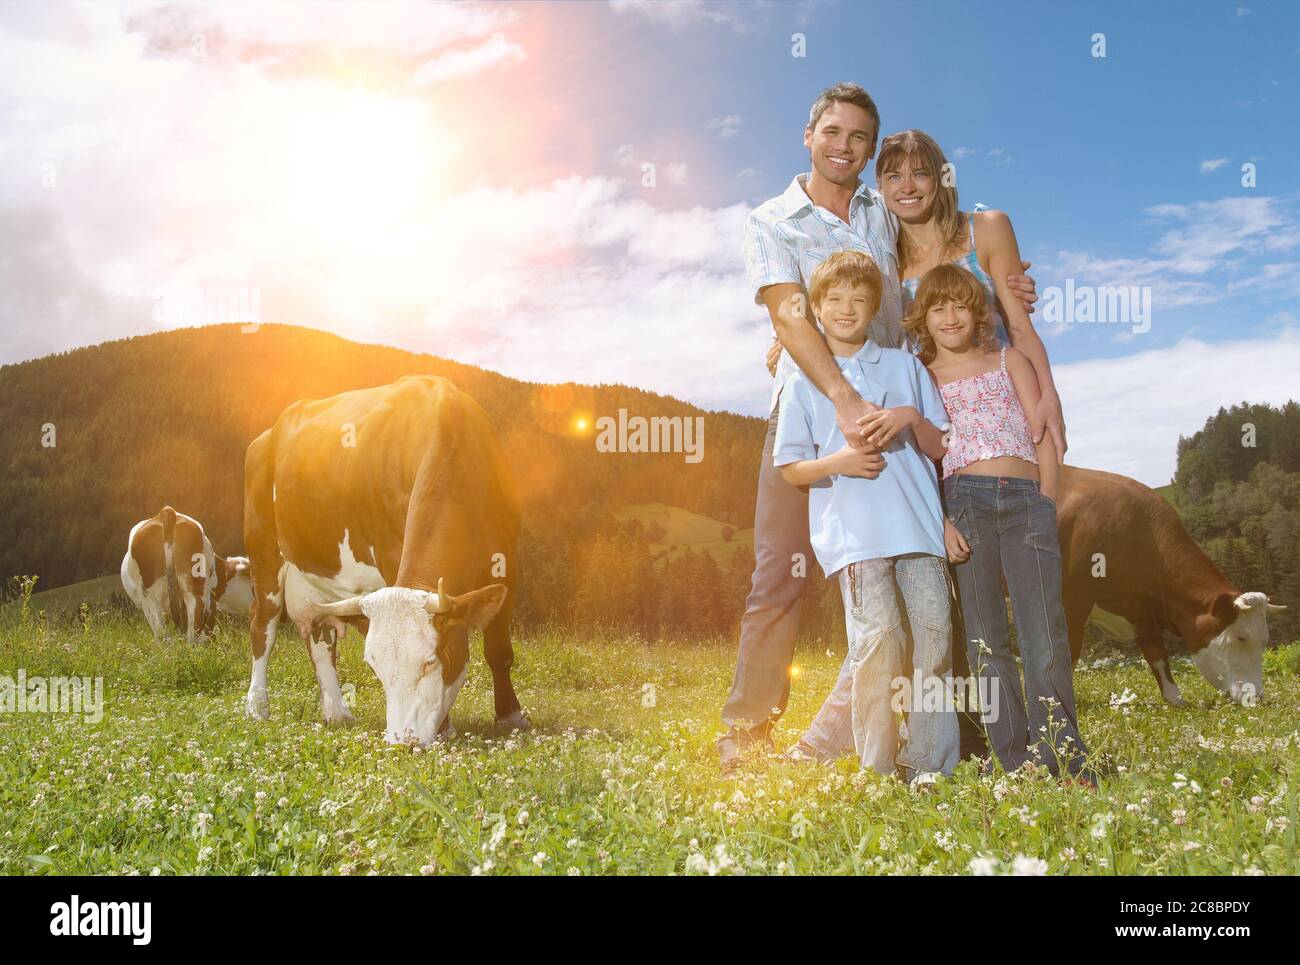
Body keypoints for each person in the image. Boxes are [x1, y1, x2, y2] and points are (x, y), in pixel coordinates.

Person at [722, 81, 1039, 773]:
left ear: (869, 150)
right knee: (781, 569)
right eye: (832, 132)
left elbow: (940, 247)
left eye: (859, 137)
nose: (845, 147)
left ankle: (941, 728)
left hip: (898, 413)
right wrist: (838, 394)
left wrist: (1005, 281)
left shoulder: (877, 212)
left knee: (927, 574)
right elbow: (789, 311)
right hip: (810, 409)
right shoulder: (771, 220)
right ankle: (747, 728)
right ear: (809, 135)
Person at [774, 250, 958, 778]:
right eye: (834, 299)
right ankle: (876, 769)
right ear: (814, 307)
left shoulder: (904, 366)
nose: (847, 308)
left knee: (934, 645)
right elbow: (791, 468)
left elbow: (941, 445)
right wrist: (842, 462)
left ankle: (929, 765)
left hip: (919, 531)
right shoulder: (803, 382)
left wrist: (909, 416)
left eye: (859, 298)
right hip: (856, 537)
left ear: (875, 306)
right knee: (876, 646)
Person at [909, 263, 1093, 783]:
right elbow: (922, 459)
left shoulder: (1009, 359)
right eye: (938, 307)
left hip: (1024, 501)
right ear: (923, 316)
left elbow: (1044, 435)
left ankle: (1065, 757)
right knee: (986, 641)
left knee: (1045, 634)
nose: (950, 316)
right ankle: (1017, 761)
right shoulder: (921, 376)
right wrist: (941, 522)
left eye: (960, 305)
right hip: (963, 502)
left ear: (978, 312)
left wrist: (1046, 501)